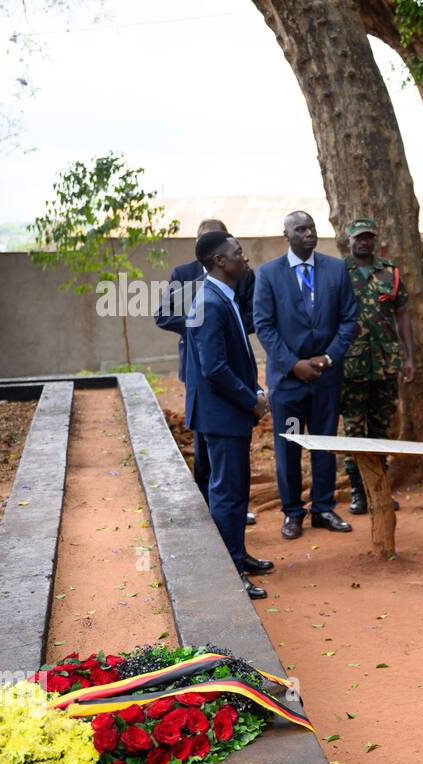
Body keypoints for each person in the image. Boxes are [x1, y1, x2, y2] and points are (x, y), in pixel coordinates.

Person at [253, 211, 357, 539]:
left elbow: (349, 320)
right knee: (290, 447)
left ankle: (324, 508)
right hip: (289, 382)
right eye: (301, 229)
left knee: (324, 443)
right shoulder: (269, 274)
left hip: (326, 379)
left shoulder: (336, 269)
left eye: (311, 228)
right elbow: (264, 325)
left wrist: (327, 358)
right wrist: (293, 363)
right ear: (287, 235)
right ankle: (293, 512)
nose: (309, 234)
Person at [182, 231, 273, 599]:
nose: (245, 258)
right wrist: (251, 400)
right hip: (222, 416)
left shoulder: (222, 296)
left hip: (224, 413)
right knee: (227, 493)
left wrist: (256, 388)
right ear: (220, 261)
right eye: (238, 253)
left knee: (235, 490)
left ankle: (238, 553)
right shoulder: (210, 301)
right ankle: (230, 570)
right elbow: (214, 368)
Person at [153, 217, 258, 525]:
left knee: (227, 458)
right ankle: (209, 508)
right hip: (200, 372)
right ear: (212, 254)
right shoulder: (184, 275)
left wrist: (222, 332)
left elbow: (249, 316)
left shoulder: (241, 277)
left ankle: (227, 515)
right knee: (207, 444)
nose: (242, 257)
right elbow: (163, 315)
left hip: (228, 368)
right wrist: (199, 329)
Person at [340, 218, 415, 516]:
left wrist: (409, 357)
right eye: (359, 237)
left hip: (385, 364)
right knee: (355, 429)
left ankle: (379, 489)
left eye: (369, 237)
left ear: (375, 240)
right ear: (349, 240)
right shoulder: (338, 273)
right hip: (351, 365)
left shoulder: (391, 273)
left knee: (381, 428)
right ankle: (358, 491)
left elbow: (403, 315)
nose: (364, 242)